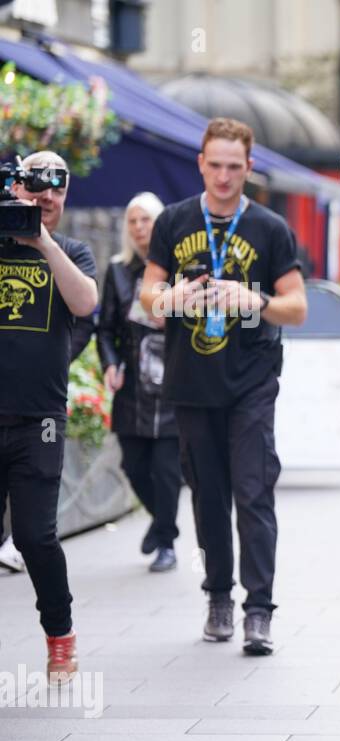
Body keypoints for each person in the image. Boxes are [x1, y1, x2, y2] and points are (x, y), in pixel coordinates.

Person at [140, 117, 307, 654]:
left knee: (253, 493)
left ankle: (259, 609)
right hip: (191, 383)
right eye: (215, 165)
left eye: (235, 167)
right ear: (201, 164)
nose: (224, 176)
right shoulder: (172, 222)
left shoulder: (269, 229)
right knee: (208, 499)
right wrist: (172, 301)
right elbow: (148, 297)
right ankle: (218, 598)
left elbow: (298, 307)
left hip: (252, 383)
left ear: (249, 168)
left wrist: (254, 301)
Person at [0, 150, 99, 681]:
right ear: (16, 186)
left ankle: (59, 636)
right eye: (36, 188)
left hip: (39, 419)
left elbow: (85, 304)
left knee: (36, 536)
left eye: (57, 192)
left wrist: (41, 240)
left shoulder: (72, 251)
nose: (46, 199)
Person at [97, 191, 181, 573]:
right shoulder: (117, 270)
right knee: (133, 465)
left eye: (145, 219)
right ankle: (165, 525)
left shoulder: (180, 270)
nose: (139, 227)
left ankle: (165, 541)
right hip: (133, 383)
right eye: (132, 221)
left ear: (160, 222)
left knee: (166, 469)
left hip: (172, 383)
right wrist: (110, 363)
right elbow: (106, 329)